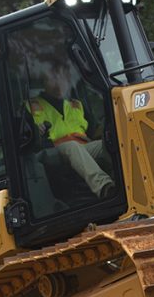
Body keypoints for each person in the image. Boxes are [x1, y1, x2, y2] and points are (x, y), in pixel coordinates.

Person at [27, 64, 116, 199]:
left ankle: (124, 180)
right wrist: (35, 132)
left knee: (107, 144)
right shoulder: (31, 106)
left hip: (83, 147)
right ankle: (105, 187)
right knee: (72, 147)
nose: (58, 83)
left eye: (62, 78)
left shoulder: (76, 104)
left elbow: (94, 130)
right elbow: (25, 138)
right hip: (52, 151)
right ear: (44, 81)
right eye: (53, 78)